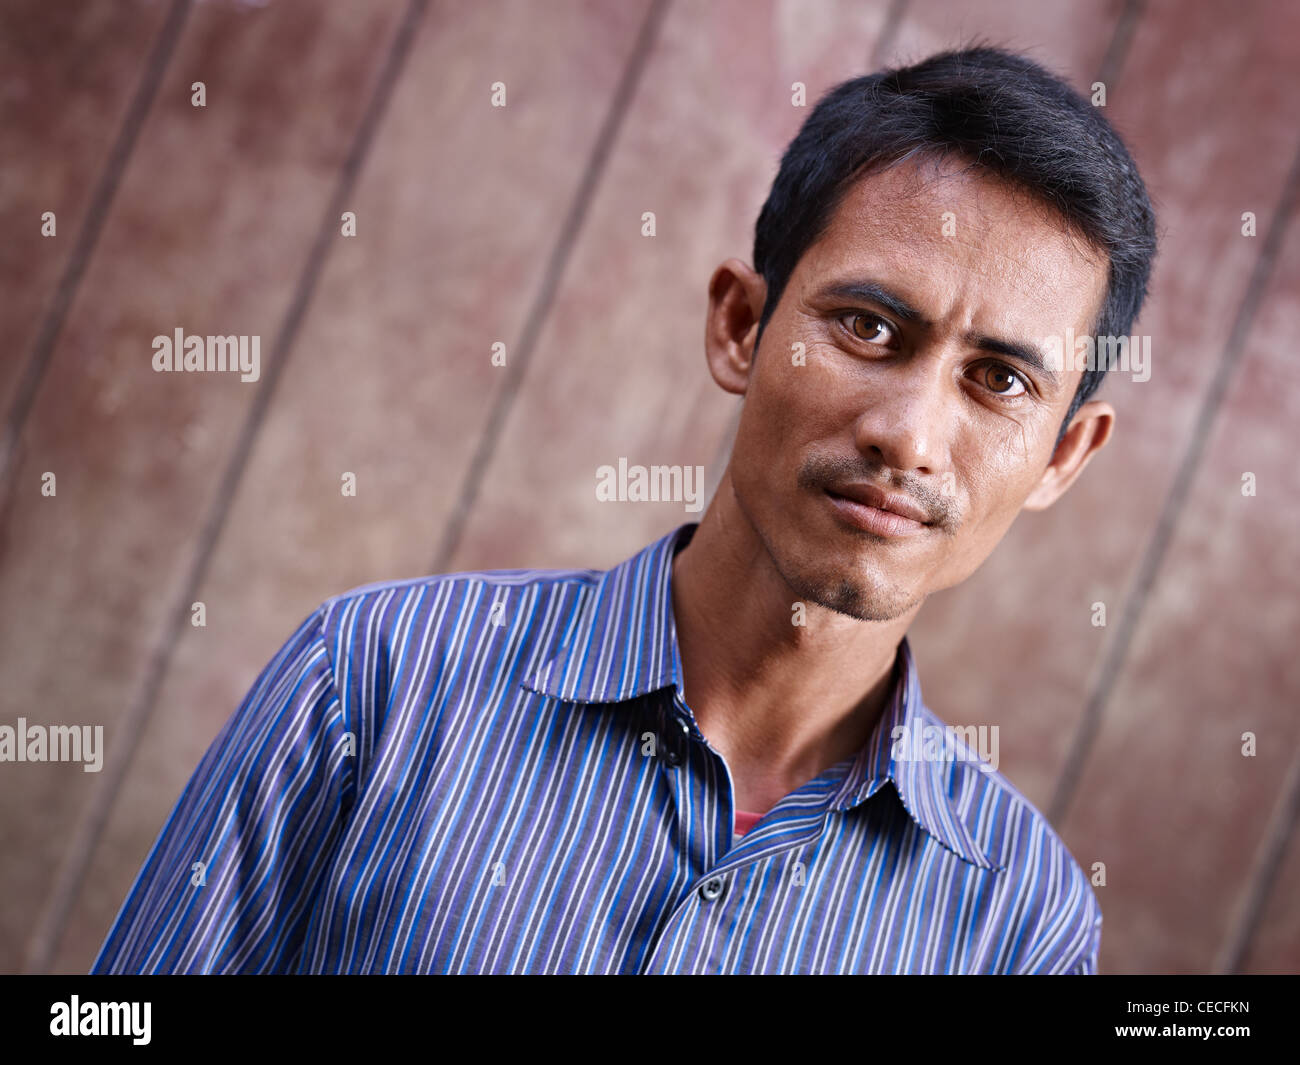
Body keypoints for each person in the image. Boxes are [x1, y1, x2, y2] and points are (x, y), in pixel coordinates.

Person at [92, 45, 1156, 974]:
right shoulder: (373, 684)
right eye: (869, 329)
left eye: (1000, 382)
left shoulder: (1018, 924)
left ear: (1064, 453)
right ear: (742, 327)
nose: (909, 437)